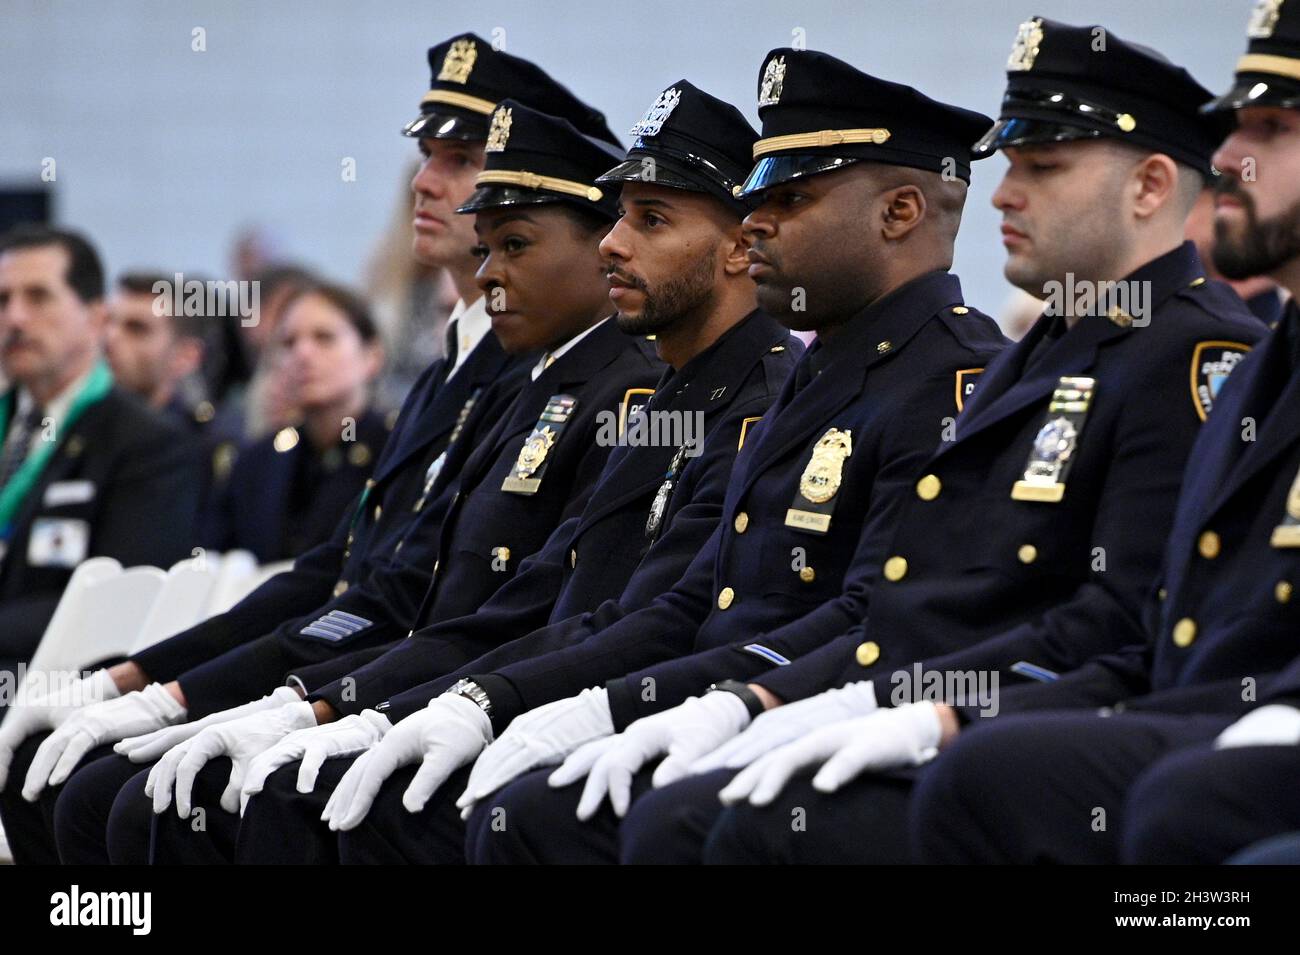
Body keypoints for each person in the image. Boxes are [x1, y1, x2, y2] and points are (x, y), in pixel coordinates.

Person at [241, 48, 1009, 866]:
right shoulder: (799, 378)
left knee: (515, 818)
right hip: (704, 695)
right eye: (756, 199)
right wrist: (466, 695)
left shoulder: (949, 378)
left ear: (898, 213)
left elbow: (878, 618)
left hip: (811, 712)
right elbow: (661, 598)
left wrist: (728, 701)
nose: (758, 224)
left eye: (788, 198)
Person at [145, 79, 802, 864]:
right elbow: (531, 593)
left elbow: (656, 617)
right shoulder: (668, 389)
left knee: (314, 802)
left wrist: (463, 700)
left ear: (738, 245)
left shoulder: (749, 396)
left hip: (658, 711)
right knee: (205, 794)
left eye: (649, 220)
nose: (612, 245)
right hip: (550, 686)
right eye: (619, 216)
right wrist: (334, 702)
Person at [0, 32, 614, 865]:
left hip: (420, 686)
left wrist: (277, 702)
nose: (427, 185)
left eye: (462, 160)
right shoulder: (450, 378)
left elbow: (420, 598)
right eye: (427, 156)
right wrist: (139, 678)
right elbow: (336, 569)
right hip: (373, 673)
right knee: (70, 778)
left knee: (138, 801)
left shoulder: (553, 380)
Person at [672, 16, 1271, 866]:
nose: (1001, 194)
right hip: (942, 705)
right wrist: (768, 697)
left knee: (733, 828)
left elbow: (1116, 616)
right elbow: (910, 600)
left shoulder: (1190, 351)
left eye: (1043, 168)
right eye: (1011, 167)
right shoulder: (1038, 349)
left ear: (1148, 189)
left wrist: (925, 707)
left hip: (1038, 726)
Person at [909, 0, 1300, 866]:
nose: (1230, 159)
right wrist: (942, 709)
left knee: (1176, 806)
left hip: (1232, 740)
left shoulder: (1204, 351)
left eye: (1271, 129)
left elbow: (1110, 614)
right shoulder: (1262, 373)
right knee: (984, 773)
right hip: (1187, 714)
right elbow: (1165, 637)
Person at [0, 226, 203, 678]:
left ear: (95, 319)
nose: (15, 318)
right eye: (3, 300)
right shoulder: (7, 423)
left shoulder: (148, 444)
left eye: (38, 297)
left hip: (54, 690)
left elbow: (120, 605)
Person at [202, 281, 389, 563]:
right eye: (288, 343)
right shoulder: (256, 461)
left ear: (371, 356)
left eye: (324, 338)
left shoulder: (395, 448)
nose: (302, 354)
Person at [105, 271, 243, 529]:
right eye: (108, 323)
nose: (111, 339)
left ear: (186, 357)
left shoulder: (206, 446)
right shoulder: (78, 433)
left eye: (137, 329)